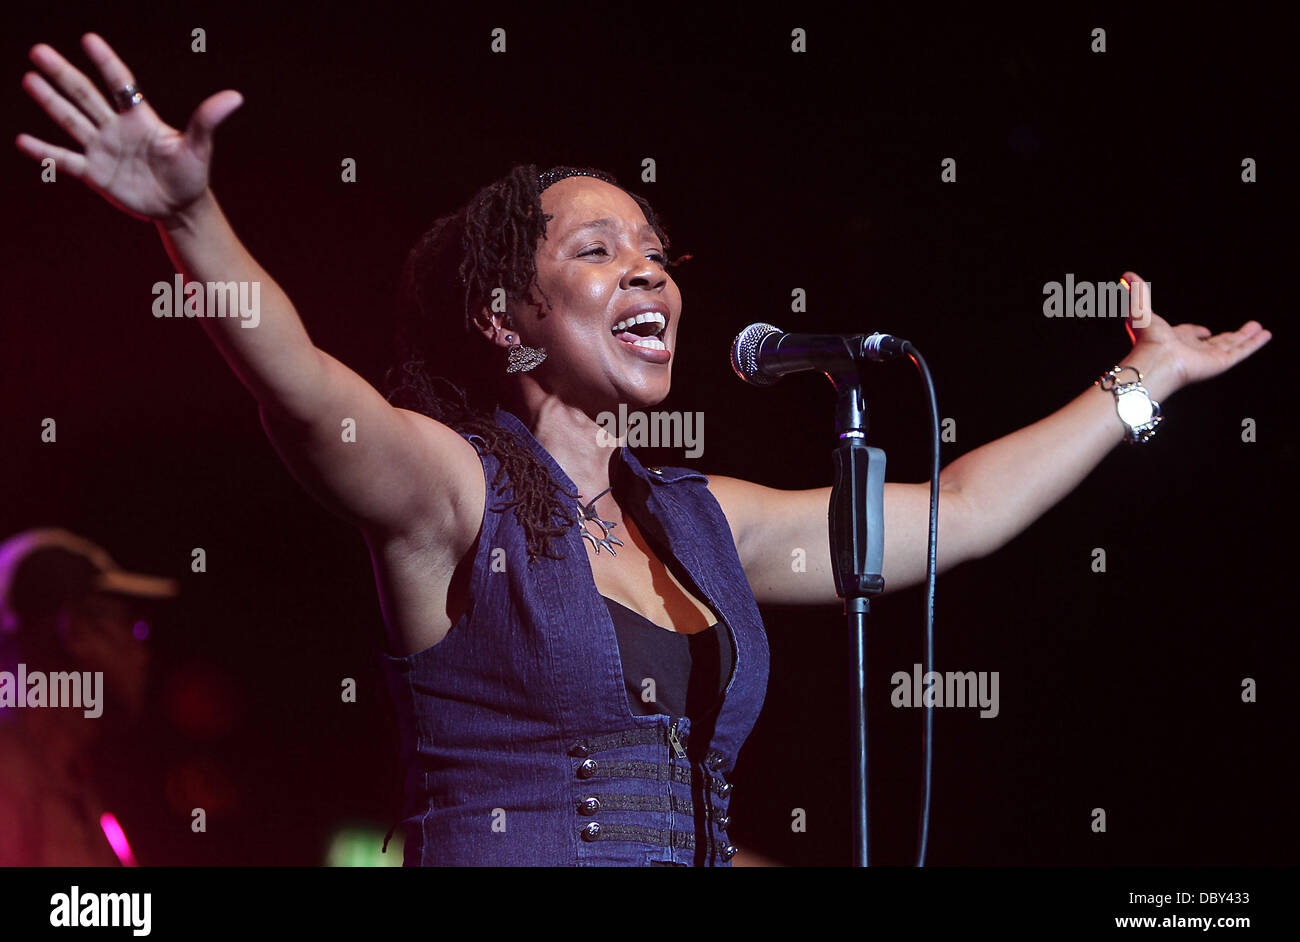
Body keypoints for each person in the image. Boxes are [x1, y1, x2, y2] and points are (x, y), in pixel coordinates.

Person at [14, 34, 1272, 867]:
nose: (648, 266)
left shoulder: (695, 518)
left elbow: (954, 511)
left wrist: (1140, 382)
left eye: (654, 246)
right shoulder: (451, 490)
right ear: (505, 319)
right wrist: (194, 217)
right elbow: (300, 387)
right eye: (597, 248)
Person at [0, 528, 178, 865]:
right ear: (75, 630)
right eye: (133, 625)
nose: (144, 653)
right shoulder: (8, 774)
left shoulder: (75, 791)